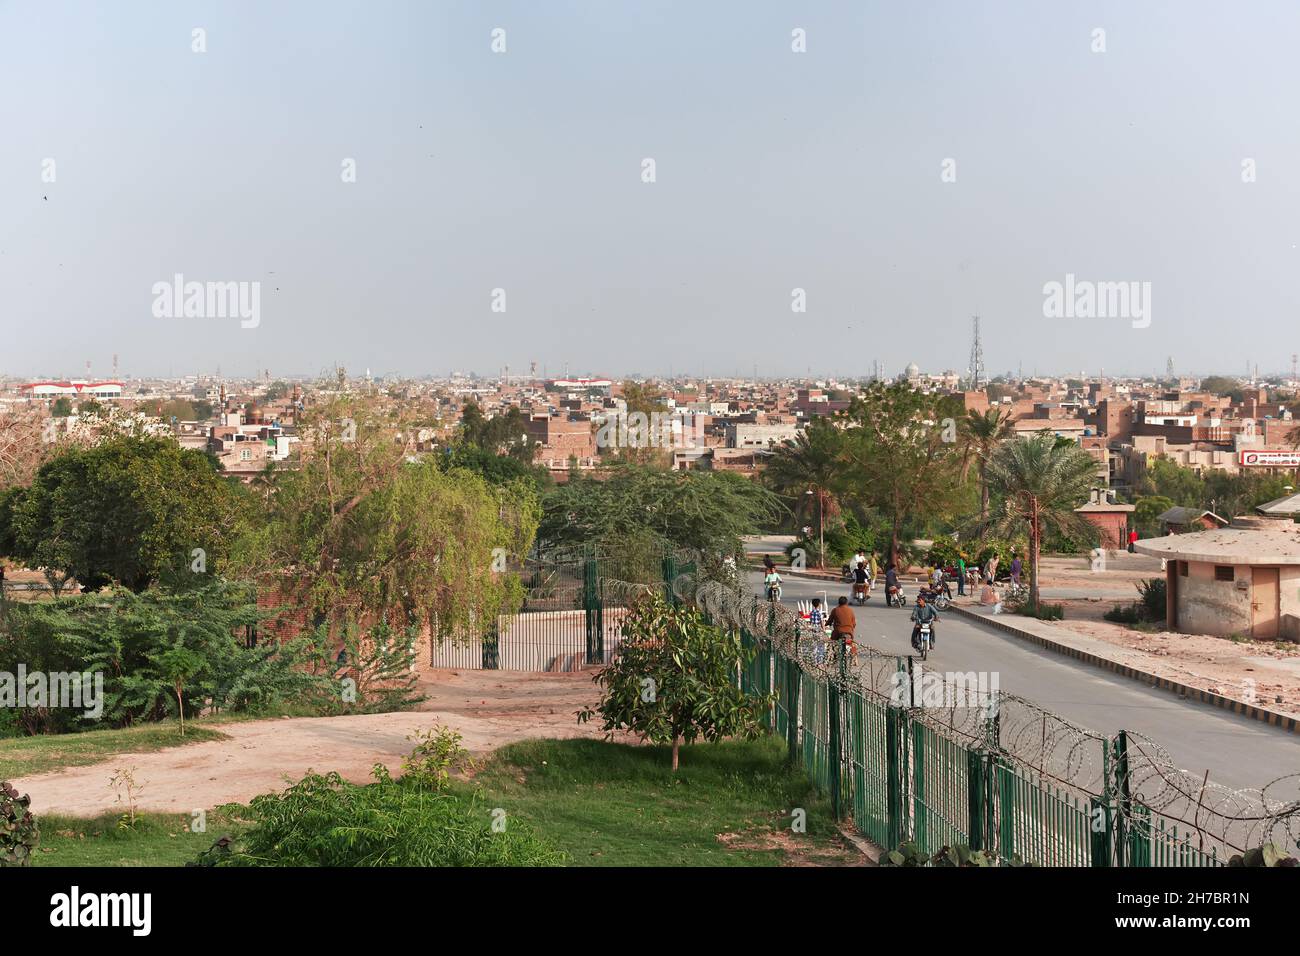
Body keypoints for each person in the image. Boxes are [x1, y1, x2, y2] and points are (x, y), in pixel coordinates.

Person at [827, 596, 857, 661]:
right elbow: (854, 623)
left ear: (839, 603)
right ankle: (854, 658)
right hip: (849, 632)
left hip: (838, 632)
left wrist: (826, 624)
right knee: (852, 643)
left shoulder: (835, 610)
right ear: (846, 603)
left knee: (833, 642)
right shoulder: (850, 610)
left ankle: (834, 657)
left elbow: (830, 621)